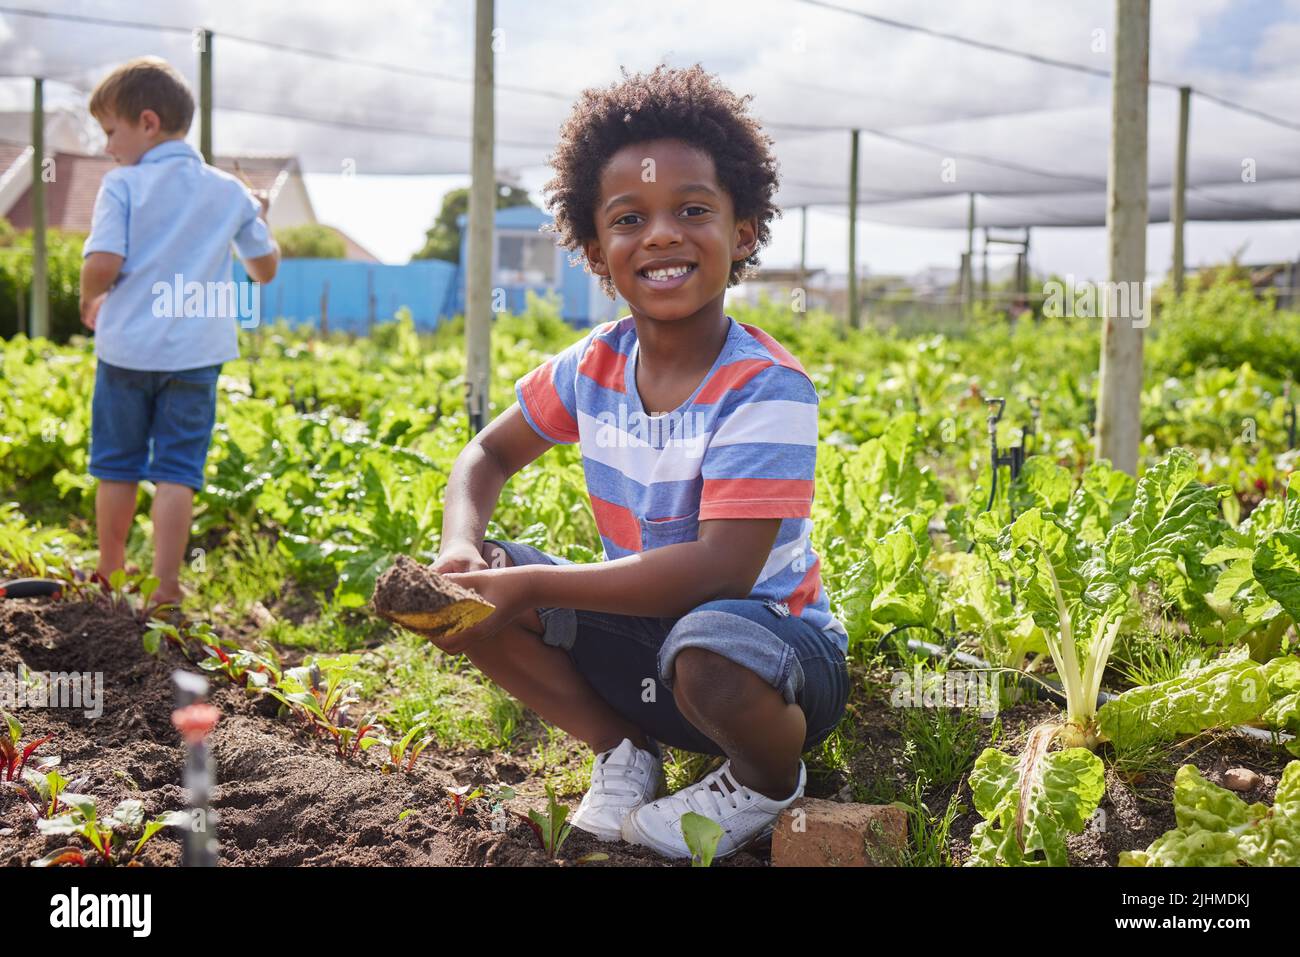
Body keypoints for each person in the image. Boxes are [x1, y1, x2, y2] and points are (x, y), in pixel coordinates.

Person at [427, 64, 849, 860]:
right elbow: (485, 453)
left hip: (772, 661)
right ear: (594, 247)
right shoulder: (592, 367)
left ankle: (764, 779)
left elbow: (721, 571)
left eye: (693, 210)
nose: (660, 234)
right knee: (471, 591)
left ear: (744, 230)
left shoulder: (764, 385)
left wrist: (538, 582)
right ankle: (624, 751)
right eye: (628, 218)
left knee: (709, 644)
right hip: (652, 649)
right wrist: (461, 547)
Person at [80, 56, 280, 612]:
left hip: (125, 352)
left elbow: (103, 261)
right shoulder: (228, 192)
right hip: (196, 357)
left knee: (116, 465)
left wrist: (88, 296)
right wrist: (256, 215)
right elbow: (264, 269)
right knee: (177, 472)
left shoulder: (122, 185)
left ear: (146, 123)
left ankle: (111, 569)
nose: (106, 147)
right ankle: (166, 585)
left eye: (109, 131)